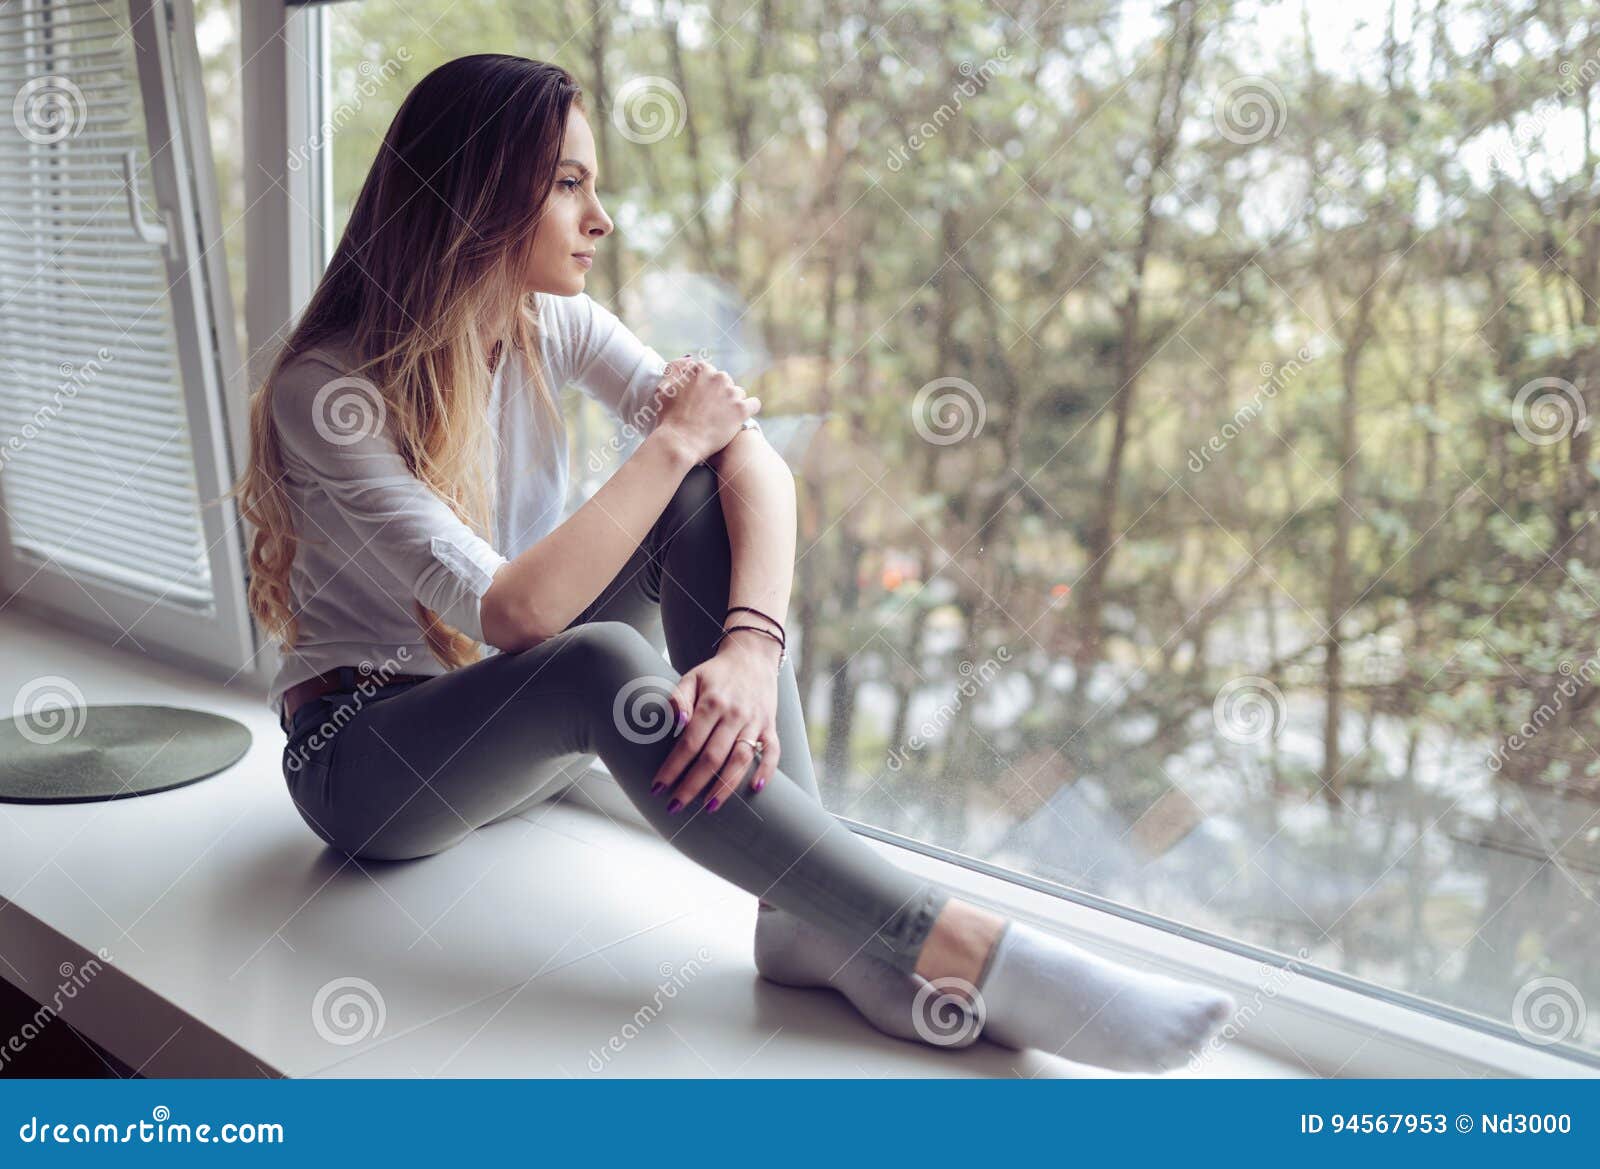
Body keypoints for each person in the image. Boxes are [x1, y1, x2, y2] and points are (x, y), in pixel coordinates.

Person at [231, 53, 1235, 1072]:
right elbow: (520, 614)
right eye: (569, 183)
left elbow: (749, 457)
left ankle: (801, 916)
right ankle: (954, 943)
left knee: (704, 496)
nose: (600, 218)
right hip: (367, 769)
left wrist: (753, 643)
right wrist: (669, 439)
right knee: (601, 649)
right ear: (475, 196)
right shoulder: (328, 387)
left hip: (504, 729)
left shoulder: (551, 323)